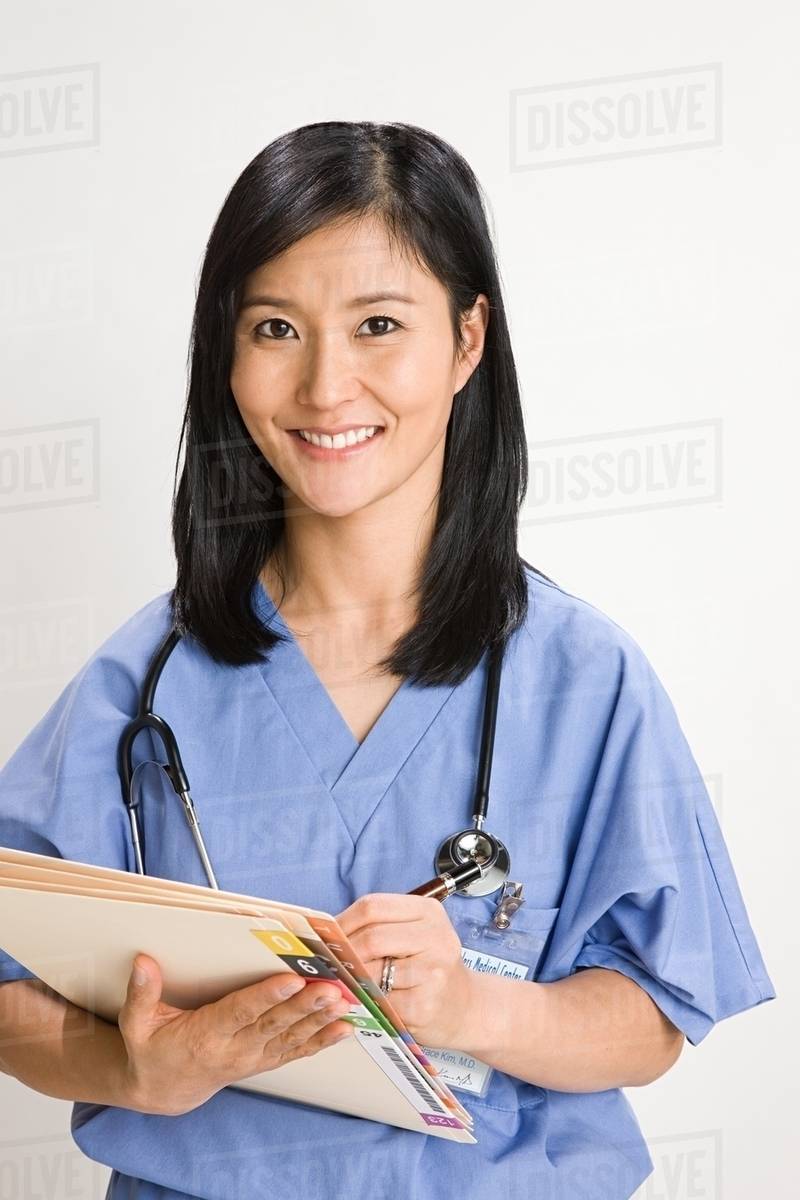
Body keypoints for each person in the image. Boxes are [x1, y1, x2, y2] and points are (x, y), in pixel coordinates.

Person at [0, 121, 775, 1200]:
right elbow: (9, 986)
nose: (324, 388)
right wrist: (134, 1066)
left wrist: (472, 1008)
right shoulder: (143, 683)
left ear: (466, 341)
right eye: (275, 327)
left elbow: (653, 1016)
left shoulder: (581, 679)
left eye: (376, 325)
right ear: (226, 353)